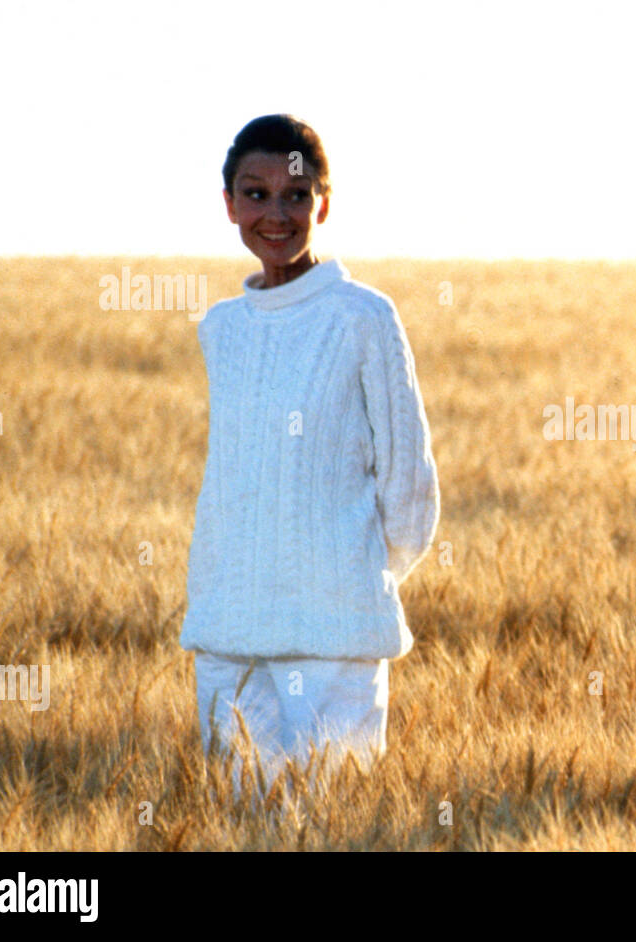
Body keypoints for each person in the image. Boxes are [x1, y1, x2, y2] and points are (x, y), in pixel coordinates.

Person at [179, 115, 439, 794]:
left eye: (296, 194)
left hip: (336, 646)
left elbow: (409, 484)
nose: (276, 213)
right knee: (232, 829)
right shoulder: (221, 329)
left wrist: (351, 582)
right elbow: (233, 478)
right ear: (229, 204)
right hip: (228, 640)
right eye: (255, 194)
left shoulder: (365, 318)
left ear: (323, 203)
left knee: (335, 827)